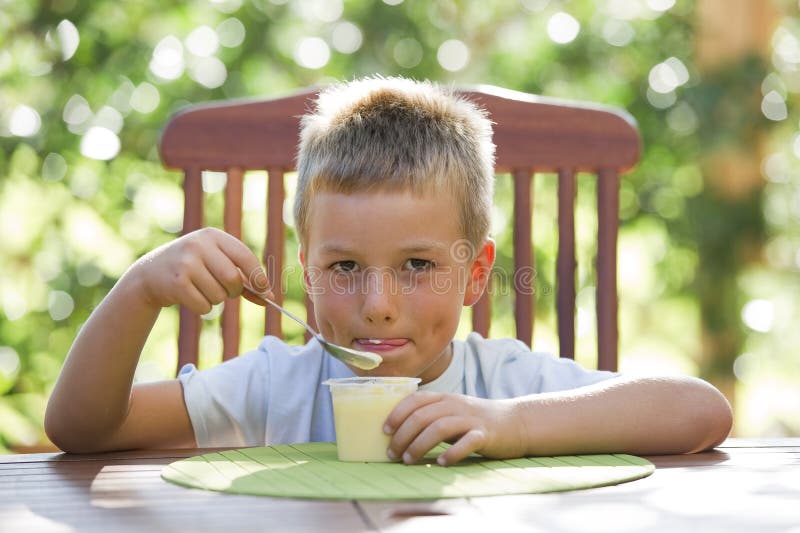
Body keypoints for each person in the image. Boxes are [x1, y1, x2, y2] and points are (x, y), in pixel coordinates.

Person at [45, 77, 732, 465]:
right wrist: (138, 289)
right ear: (305, 271)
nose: (377, 303)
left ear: (473, 273)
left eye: (416, 265)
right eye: (343, 265)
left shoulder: (503, 385)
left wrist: (509, 425)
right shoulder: (274, 387)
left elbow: (700, 409)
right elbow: (83, 429)